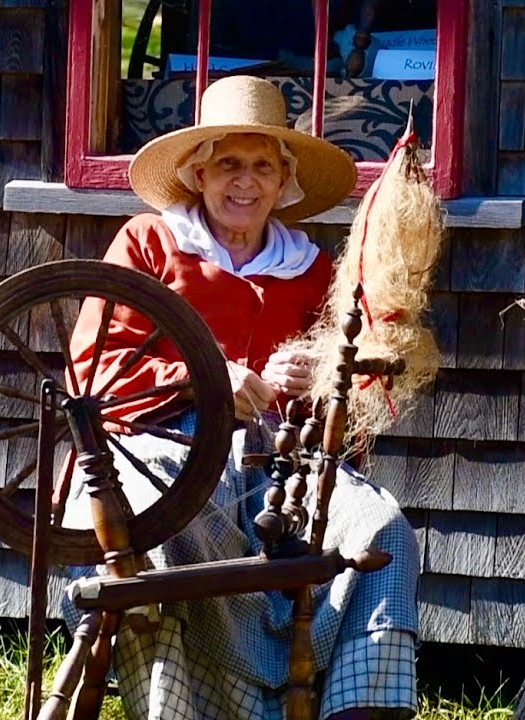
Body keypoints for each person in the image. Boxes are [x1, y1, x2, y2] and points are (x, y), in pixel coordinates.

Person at [58, 75, 421, 720]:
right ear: (198, 174)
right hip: (163, 444)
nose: (245, 182)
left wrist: (323, 375)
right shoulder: (150, 243)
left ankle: (359, 707)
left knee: (380, 528)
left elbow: (361, 388)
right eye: (228, 164)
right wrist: (205, 376)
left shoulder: (310, 268)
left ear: (285, 183)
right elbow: (93, 369)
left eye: (262, 166)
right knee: (173, 523)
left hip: (283, 462)